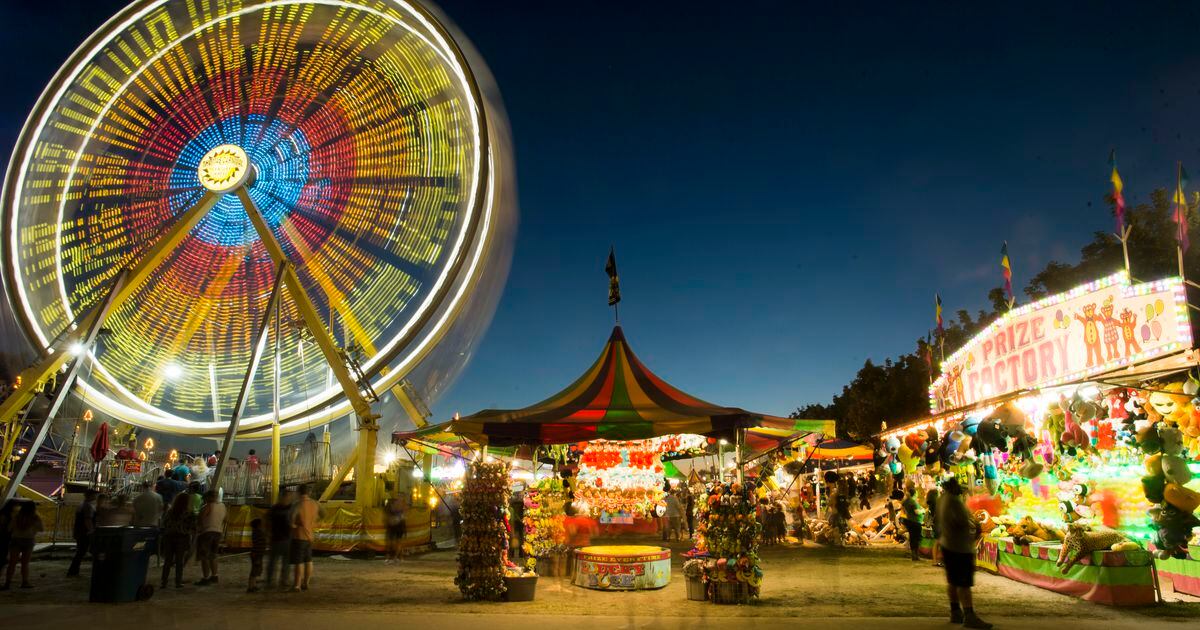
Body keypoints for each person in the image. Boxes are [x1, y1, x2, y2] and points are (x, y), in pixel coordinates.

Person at [936, 478, 991, 629]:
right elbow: (962, 522)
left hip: (948, 544)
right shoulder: (954, 502)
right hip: (959, 547)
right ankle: (969, 615)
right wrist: (974, 527)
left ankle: (955, 611)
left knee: (953, 581)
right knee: (963, 583)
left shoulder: (942, 500)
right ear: (953, 486)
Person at [2, 502, 43, 589]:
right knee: (25, 563)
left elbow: (9, 528)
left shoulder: (16, 517)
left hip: (16, 540)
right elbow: (41, 529)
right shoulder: (35, 518)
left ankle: (7, 583)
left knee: (12, 563)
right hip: (29, 540)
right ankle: (25, 582)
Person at [161, 493, 196, 588]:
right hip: (182, 537)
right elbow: (193, 527)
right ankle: (178, 582)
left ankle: (164, 582)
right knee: (179, 561)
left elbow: (164, 523)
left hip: (169, 537)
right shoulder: (189, 513)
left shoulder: (170, 511)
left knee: (168, 561)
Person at [290, 484, 321, 591]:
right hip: (310, 536)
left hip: (299, 536)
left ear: (299, 492)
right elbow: (323, 514)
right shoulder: (315, 504)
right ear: (309, 492)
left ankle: (297, 585)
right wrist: (313, 523)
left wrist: (294, 525)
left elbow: (291, 520)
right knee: (308, 560)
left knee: (299, 562)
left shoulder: (297, 504)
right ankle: (306, 583)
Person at [195, 490, 225, 585]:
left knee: (204, 556)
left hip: (207, 532)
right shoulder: (222, 506)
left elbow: (200, 519)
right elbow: (225, 518)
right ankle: (214, 575)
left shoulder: (207, 506)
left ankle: (205, 577)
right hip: (218, 532)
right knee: (213, 555)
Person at [266, 489, 294, 589]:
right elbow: (267, 520)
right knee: (275, 562)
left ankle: (280, 580)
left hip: (283, 538)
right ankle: (275, 581)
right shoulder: (288, 508)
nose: (289, 498)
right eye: (288, 496)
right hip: (279, 538)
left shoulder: (275, 508)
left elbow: (267, 520)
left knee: (280, 562)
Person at [67, 490, 97, 577]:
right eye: (94, 495)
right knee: (81, 552)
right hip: (84, 533)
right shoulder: (88, 506)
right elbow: (88, 520)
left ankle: (74, 571)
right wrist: (91, 531)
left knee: (80, 552)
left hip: (80, 532)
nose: (95, 496)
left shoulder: (82, 505)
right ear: (90, 496)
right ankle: (73, 571)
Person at [900, 483, 924, 561]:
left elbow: (903, 509)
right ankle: (916, 555)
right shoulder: (913, 502)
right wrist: (923, 510)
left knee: (912, 538)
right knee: (917, 538)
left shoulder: (906, 501)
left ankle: (914, 555)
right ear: (915, 494)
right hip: (916, 522)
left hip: (909, 521)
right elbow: (917, 512)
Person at [385, 494, 408, 564]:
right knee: (396, 542)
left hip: (397, 526)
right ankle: (396, 557)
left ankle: (395, 557)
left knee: (396, 542)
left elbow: (403, 516)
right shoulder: (401, 506)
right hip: (396, 526)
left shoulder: (399, 506)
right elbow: (403, 516)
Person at [247, 518, 266, 593]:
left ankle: (253, 585)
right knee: (254, 571)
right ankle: (250, 587)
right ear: (258, 525)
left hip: (257, 554)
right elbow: (260, 543)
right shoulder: (258, 532)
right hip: (257, 554)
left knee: (256, 570)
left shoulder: (256, 532)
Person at [926, 485, 942, 567]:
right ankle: (935, 560)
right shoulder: (937, 504)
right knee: (938, 542)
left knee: (937, 542)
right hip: (939, 524)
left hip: (935, 524)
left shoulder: (931, 504)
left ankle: (936, 560)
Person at [0, 500, 14, 574]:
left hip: (4, 537)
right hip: (5, 537)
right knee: (3, 556)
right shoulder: (8, 516)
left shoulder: (3, 513)